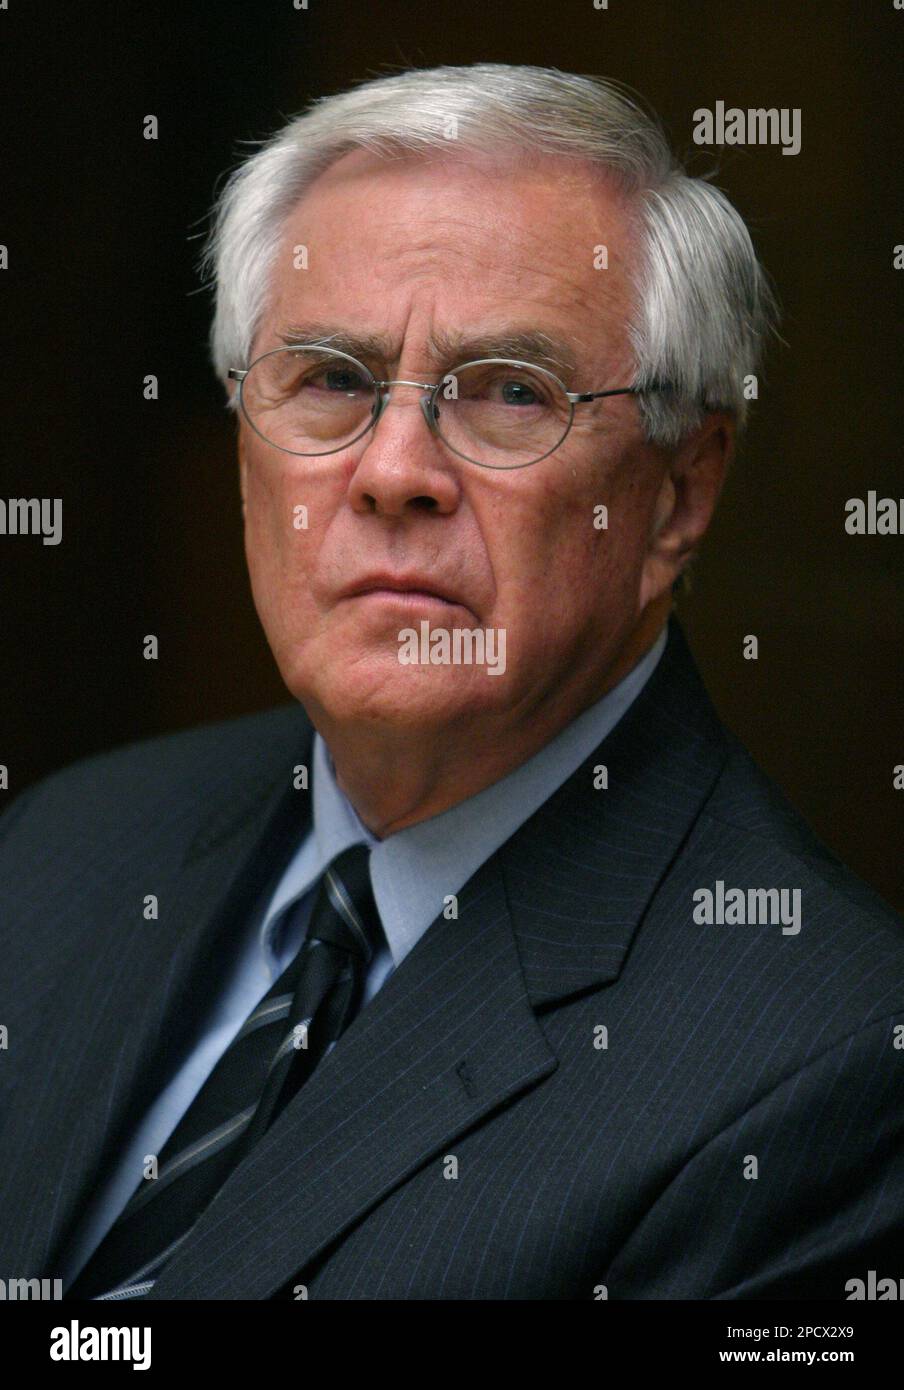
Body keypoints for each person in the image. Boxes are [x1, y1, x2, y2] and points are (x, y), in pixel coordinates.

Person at [1, 62, 902, 1302]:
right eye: (327, 379)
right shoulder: (62, 848)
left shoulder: (824, 1067)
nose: (392, 471)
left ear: (678, 495)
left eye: (509, 395)